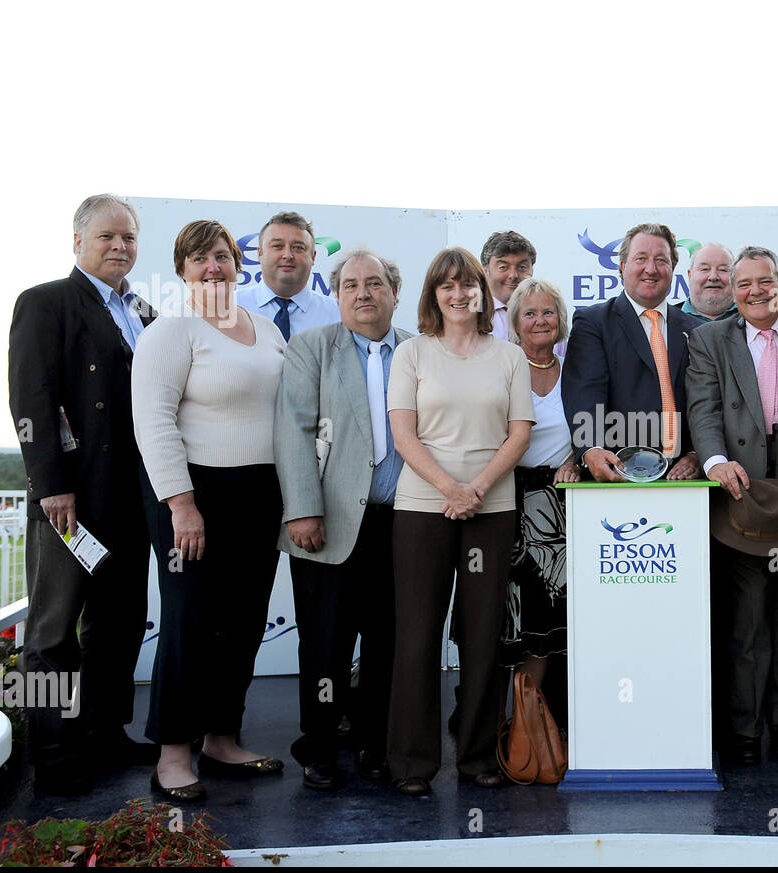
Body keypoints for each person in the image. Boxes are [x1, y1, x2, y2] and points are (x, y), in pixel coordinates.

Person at [132, 220, 288, 802]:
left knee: (244, 619)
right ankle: (173, 752)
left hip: (258, 493)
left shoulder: (266, 328)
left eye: (222, 256)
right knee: (190, 621)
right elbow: (152, 422)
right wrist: (182, 504)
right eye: (200, 260)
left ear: (237, 264)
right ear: (183, 271)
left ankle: (222, 738)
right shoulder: (170, 332)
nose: (214, 267)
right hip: (190, 495)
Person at [8, 194, 159, 795]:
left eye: (128, 237)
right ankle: (52, 756)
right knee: (50, 632)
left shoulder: (145, 311)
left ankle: (104, 734)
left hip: (130, 497)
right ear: (78, 243)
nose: (120, 246)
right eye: (106, 237)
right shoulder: (45, 302)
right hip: (69, 500)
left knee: (119, 622)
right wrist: (51, 487)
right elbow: (31, 398)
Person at [385, 247, 534, 796]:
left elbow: (518, 433)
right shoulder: (413, 354)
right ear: (433, 294)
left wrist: (475, 490)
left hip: (490, 511)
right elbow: (404, 435)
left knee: (482, 639)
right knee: (417, 637)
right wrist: (451, 489)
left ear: (482, 293)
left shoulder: (509, 356)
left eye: (468, 284)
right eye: (447, 285)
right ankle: (411, 763)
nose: (458, 293)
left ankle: (477, 757)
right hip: (424, 510)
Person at [274, 249, 410, 791]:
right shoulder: (312, 349)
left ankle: (375, 745)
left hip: (403, 526)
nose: (363, 293)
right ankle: (321, 747)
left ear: (394, 292)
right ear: (336, 294)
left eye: (374, 283)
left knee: (388, 645)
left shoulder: (417, 352)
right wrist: (303, 509)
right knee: (325, 646)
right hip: (327, 523)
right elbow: (293, 431)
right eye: (350, 284)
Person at [687, 246, 778, 764]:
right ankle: (745, 729)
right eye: (743, 284)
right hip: (744, 495)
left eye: (764, 281)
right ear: (732, 290)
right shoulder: (708, 340)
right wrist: (716, 461)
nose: (754, 291)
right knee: (747, 622)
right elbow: (703, 410)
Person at [562, 222, 703, 481]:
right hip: (617, 472)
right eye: (641, 259)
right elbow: (585, 393)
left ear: (673, 269)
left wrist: (698, 453)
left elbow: (706, 402)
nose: (651, 268)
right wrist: (591, 450)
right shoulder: (593, 323)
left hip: (684, 480)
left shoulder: (697, 331)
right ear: (623, 266)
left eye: (661, 260)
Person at [501, 277, 580, 728]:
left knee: (558, 617)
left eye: (548, 312)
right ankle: (516, 730)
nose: (540, 321)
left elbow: (597, 429)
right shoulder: (501, 367)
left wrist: (575, 458)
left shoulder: (579, 370)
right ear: (514, 323)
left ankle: (555, 726)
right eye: (529, 313)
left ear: (561, 320)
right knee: (516, 619)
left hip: (564, 507)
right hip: (508, 504)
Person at [239, 211, 341, 341]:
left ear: (313, 257)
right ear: (259, 253)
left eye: (298, 248)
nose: (287, 255)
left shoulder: (336, 315)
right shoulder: (233, 307)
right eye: (277, 246)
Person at [479, 230, 536, 344]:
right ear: (485, 271)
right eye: (503, 267)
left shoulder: (548, 318)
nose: (513, 275)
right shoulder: (473, 315)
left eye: (522, 267)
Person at [681, 242, 738, 321]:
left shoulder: (753, 321)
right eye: (705, 269)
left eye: (723, 269)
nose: (713, 277)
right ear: (690, 275)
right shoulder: (667, 320)